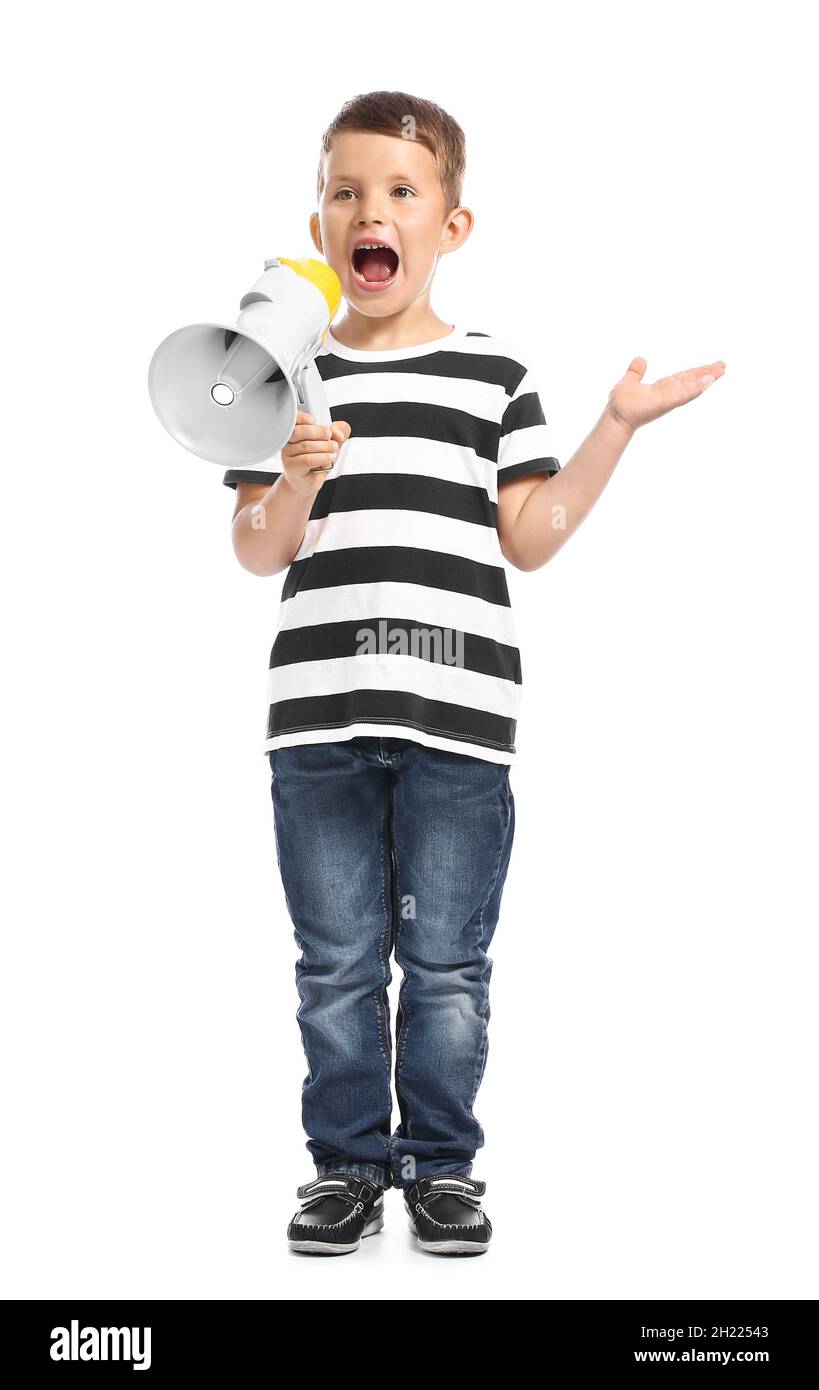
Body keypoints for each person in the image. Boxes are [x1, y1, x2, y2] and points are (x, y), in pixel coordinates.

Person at [224, 90, 725, 1255]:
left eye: (401, 191)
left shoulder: (494, 373)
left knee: (446, 964)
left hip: (460, 724)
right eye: (347, 190)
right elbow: (255, 551)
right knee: (338, 960)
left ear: (450, 227)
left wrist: (615, 426)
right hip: (316, 726)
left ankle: (441, 1165)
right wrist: (295, 477)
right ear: (319, 221)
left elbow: (532, 536)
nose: (371, 210)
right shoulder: (279, 375)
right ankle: (347, 1165)